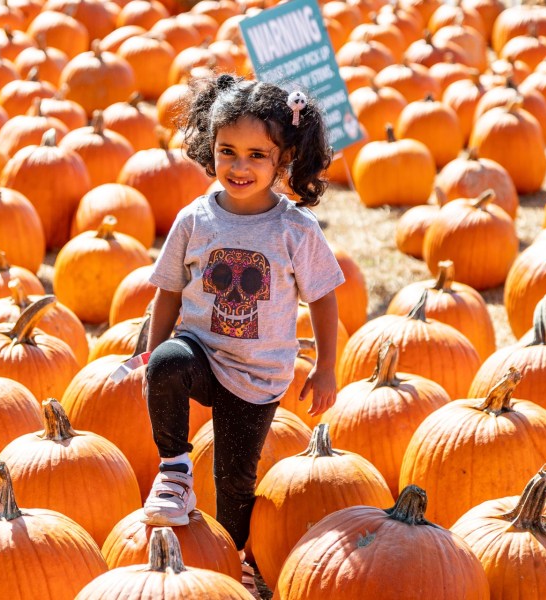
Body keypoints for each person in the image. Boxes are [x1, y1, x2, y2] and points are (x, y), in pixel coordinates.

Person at [141, 74, 345, 558]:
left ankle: (234, 561)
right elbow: (169, 290)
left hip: (257, 374)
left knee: (233, 482)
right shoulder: (194, 219)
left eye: (257, 155)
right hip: (200, 353)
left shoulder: (295, 229)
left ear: (284, 157)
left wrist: (326, 367)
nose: (239, 166)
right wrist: (150, 354)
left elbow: (322, 298)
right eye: (227, 151)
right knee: (166, 363)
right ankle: (173, 471)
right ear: (209, 147)